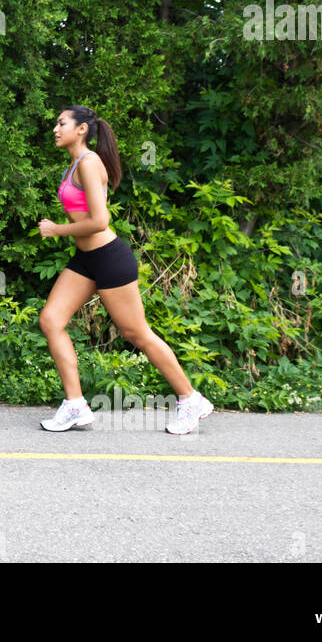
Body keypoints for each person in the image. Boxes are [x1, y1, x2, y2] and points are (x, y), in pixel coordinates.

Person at [36, 105, 213, 435]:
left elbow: (101, 221)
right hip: (86, 260)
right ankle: (75, 405)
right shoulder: (74, 164)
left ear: (82, 129)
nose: (55, 129)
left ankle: (190, 399)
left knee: (136, 334)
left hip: (109, 257)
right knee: (50, 320)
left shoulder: (89, 163)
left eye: (62, 123)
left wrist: (58, 229)